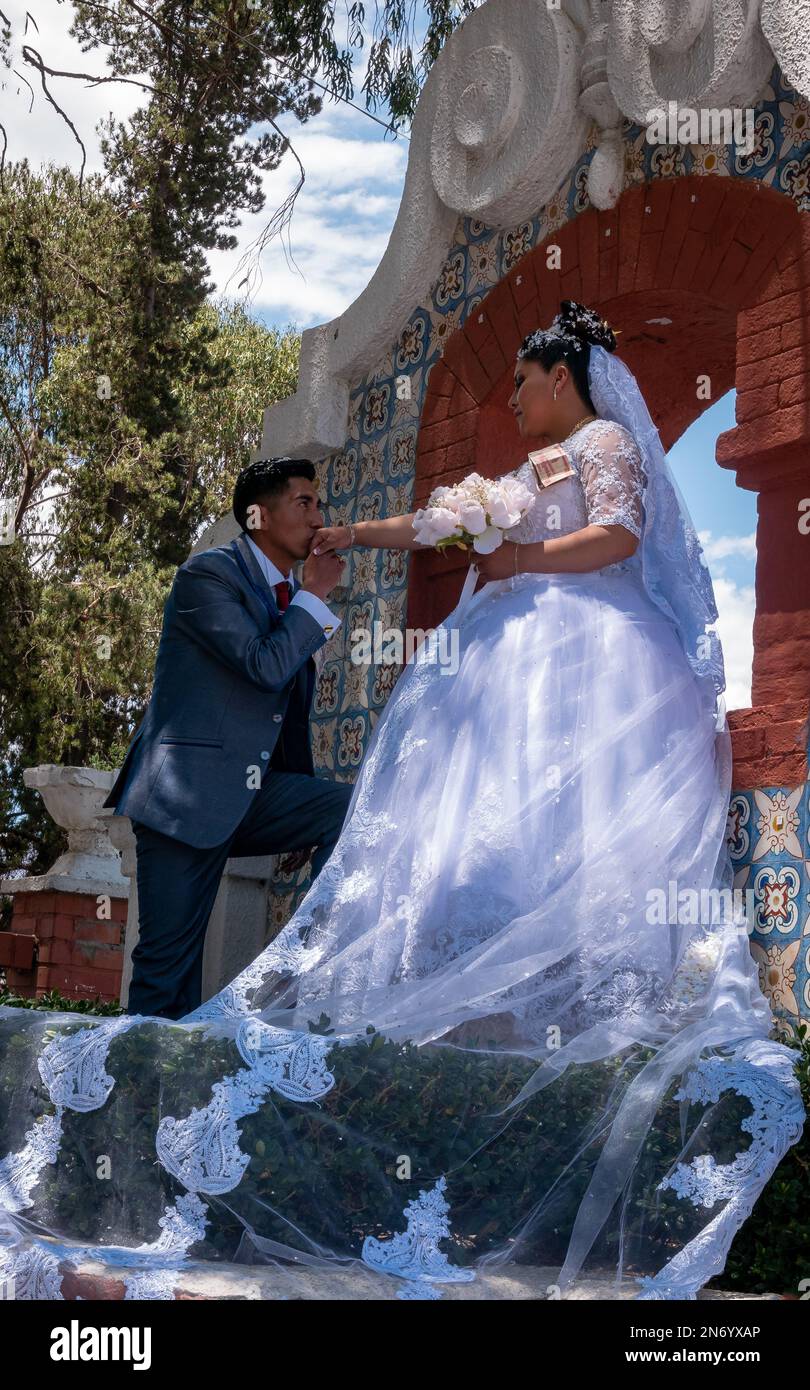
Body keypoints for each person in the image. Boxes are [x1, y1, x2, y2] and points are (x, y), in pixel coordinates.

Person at [0, 302, 803, 1303]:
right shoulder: (239, 567)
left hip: (593, 660)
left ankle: (554, 1016)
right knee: (442, 837)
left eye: (523, 379)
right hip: (353, 729)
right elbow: (429, 524)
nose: (511, 396)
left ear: (565, 376)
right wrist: (353, 535)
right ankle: (129, 1139)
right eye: (504, 384)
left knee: (556, 835)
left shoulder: (600, 443)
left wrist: (515, 561)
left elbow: (619, 535)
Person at [102, 458, 354, 1019]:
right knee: (167, 975)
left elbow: (281, 712)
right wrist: (315, 596)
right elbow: (264, 666)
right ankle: (137, 1099)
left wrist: (296, 811)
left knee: (351, 808)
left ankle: (307, 960)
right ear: (258, 515)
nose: (320, 516)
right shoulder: (207, 576)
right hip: (182, 798)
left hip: (253, 792)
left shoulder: (289, 593)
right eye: (304, 503)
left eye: (320, 503)